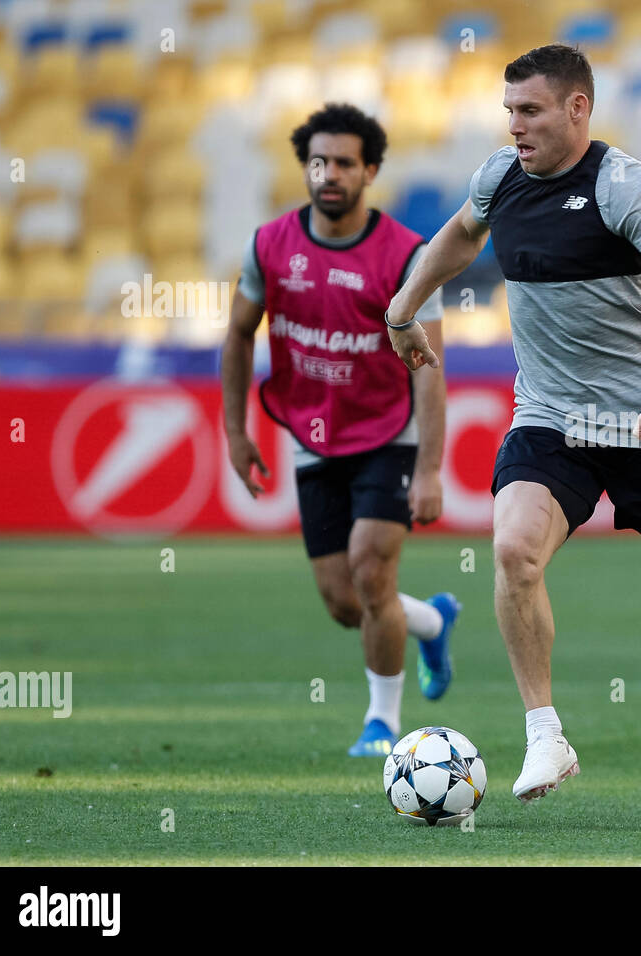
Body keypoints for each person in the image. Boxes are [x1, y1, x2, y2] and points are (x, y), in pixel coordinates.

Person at [385, 45, 641, 802]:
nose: (515, 126)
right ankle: (545, 735)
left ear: (578, 110)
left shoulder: (621, 187)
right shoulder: (499, 177)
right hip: (551, 416)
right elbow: (457, 235)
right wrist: (404, 303)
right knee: (514, 548)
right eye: (509, 111)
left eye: (531, 111)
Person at [221, 103, 460, 758]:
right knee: (345, 600)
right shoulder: (269, 246)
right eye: (317, 162)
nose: (328, 174)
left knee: (370, 566)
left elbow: (428, 369)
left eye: (344, 163)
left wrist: (432, 468)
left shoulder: (407, 255)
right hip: (313, 433)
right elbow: (239, 334)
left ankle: (382, 724)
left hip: (390, 432)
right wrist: (236, 433)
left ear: (370, 170)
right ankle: (432, 621)